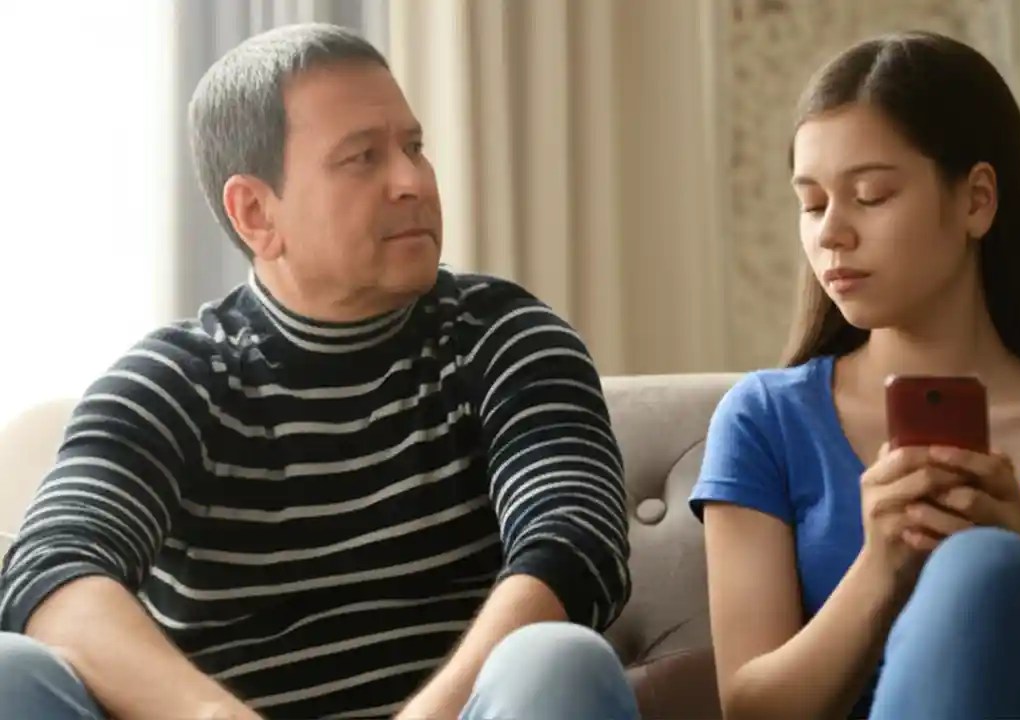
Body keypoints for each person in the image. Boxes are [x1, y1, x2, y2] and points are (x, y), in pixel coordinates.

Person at [0, 23, 640, 720]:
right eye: (362, 157)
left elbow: (574, 541)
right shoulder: (173, 381)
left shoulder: (505, 337)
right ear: (255, 212)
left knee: (557, 658)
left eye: (414, 147)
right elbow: (52, 568)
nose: (413, 181)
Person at [690, 31, 1020, 720]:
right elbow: (748, 709)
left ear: (976, 200)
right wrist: (880, 568)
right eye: (812, 203)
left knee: (990, 570)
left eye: (869, 195)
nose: (831, 232)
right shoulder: (763, 422)